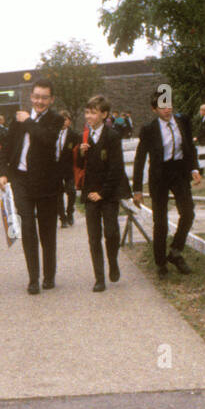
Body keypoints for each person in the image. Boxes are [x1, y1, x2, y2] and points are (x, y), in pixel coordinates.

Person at [0, 79, 66, 293]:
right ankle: (33, 278)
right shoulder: (19, 120)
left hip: (46, 183)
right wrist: (2, 173)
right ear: (31, 97)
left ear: (51, 99)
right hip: (22, 180)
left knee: (47, 231)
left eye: (44, 97)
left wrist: (28, 122)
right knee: (27, 227)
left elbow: (46, 139)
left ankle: (49, 275)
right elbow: (6, 148)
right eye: (36, 96)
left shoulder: (56, 120)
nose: (39, 101)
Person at [132, 88, 202, 277]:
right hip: (159, 175)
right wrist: (137, 188)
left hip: (179, 172)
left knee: (188, 212)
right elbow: (140, 159)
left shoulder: (183, 122)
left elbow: (190, 147)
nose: (167, 110)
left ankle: (175, 251)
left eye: (169, 105)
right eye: (162, 107)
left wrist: (194, 169)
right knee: (160, 221)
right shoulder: (149, 129)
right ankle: (160, 263)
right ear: (154, 109)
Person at [77, 95, 132, 292]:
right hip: (90, 193)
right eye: (87, 112)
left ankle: (113, 261)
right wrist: (80, 153)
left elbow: (116, 168)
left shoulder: (112, 136)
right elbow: (78, 166)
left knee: (111, 232)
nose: (89, 116)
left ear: (104, 114)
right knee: (94, 237)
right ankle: (99, 277)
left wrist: (102, 193)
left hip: (108, 193)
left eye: (93, 112)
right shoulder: (84, 136)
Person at [57, 109, 80, 228]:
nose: (63, 122)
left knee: (71, 191)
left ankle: (70, 211)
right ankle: (62, 217)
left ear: (69, 122)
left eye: (65, 120)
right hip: (55, 168)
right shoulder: (53, 133)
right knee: (57, 193)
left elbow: (79, 151)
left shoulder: (74, 135)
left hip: (69, 167)